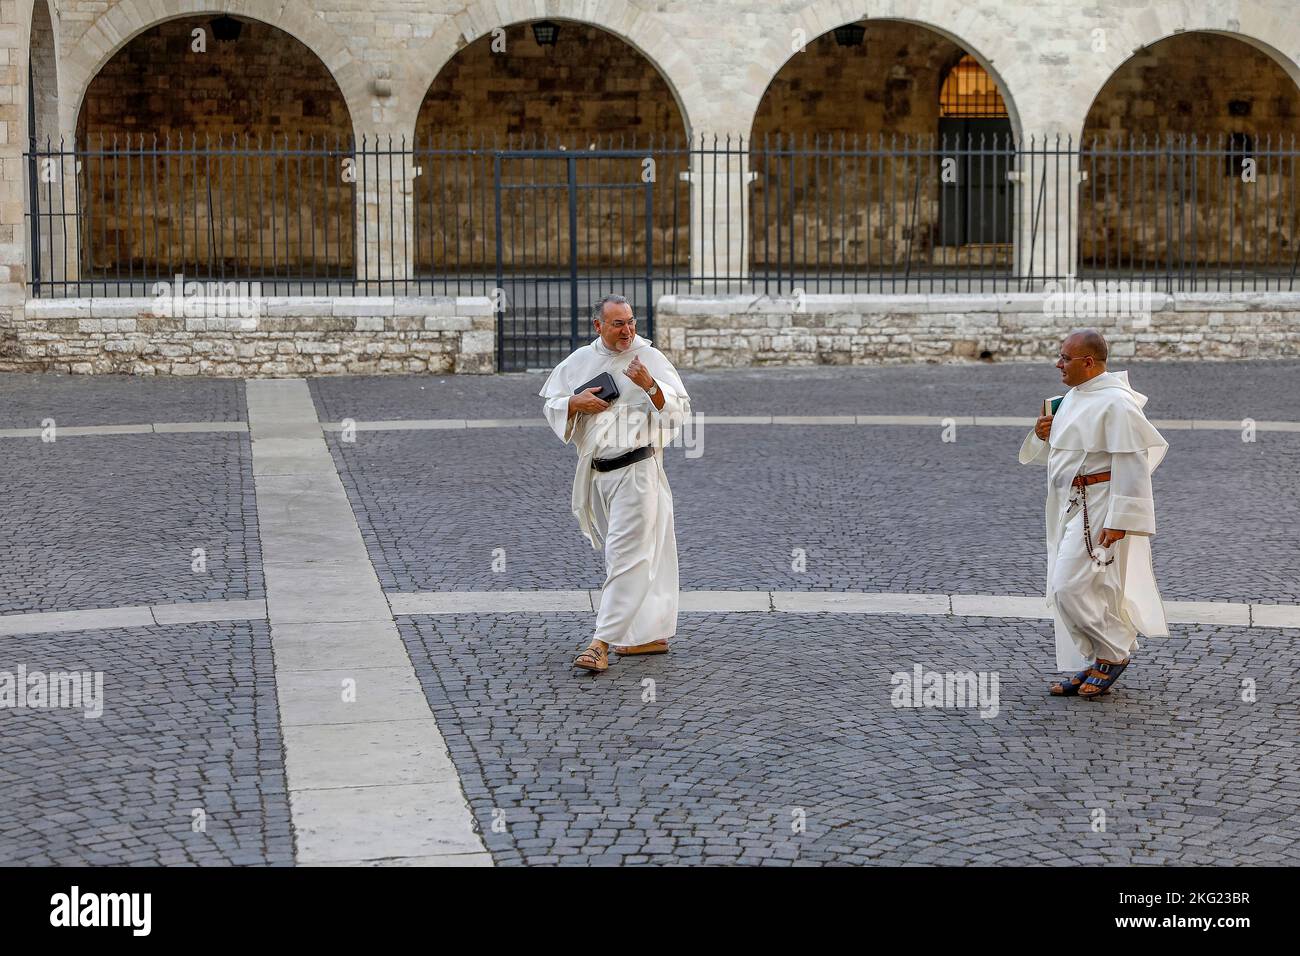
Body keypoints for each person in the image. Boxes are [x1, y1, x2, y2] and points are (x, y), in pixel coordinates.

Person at [539, 294, 692, 674]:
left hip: (638, 473)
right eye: (618, 324)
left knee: (627, 555)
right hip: (597, 474)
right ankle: (645, 633)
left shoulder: (649, 359)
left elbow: (679, 412)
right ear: (599, 327)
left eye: (631, 321)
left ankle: (599, 643)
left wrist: (650, 384)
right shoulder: (580, 360)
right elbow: (552, 403)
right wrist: (575, 404)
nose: (627, 331)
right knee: (628, 554)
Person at [1018, 329, 1169, 699]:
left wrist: (1120, 521)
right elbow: (1061, 453)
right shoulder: (1069, 398)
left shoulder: (1117, 403)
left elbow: (1132, 463)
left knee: (1068, 586)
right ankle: (1099, 657)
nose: (1058, 364)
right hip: (1072, 504)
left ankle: (1114, 652)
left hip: (1099, 506)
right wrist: (1041, 435)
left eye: (1065, 358)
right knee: (1072, 586)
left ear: (1089, 362)